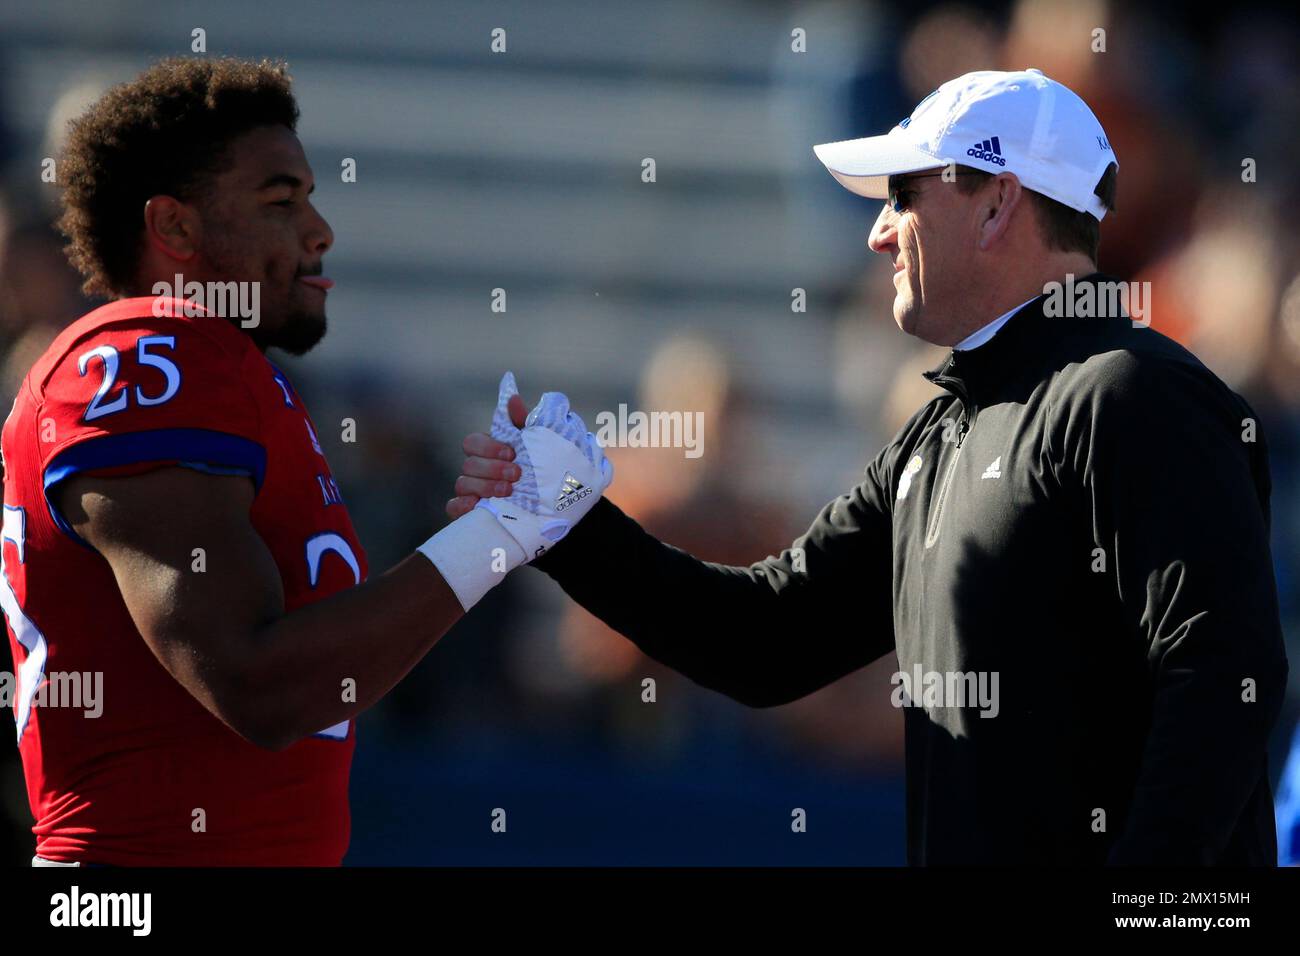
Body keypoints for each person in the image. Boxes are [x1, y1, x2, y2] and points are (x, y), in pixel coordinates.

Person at [451, 69, 1289, 865]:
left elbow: (1223, 675)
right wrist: (562, 519)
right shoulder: (935, 438)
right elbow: (764, 643)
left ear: (997, 206)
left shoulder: (1136, 395)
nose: (878, 231)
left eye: (902, 196)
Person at [1, 56, 610, 865]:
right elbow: (255, 684)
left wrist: (492, 528)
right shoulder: (146, 362)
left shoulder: (230, 374)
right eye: (281, 201)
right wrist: (499, 534)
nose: (319, 231)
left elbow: (317, 672)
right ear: (175, 228)